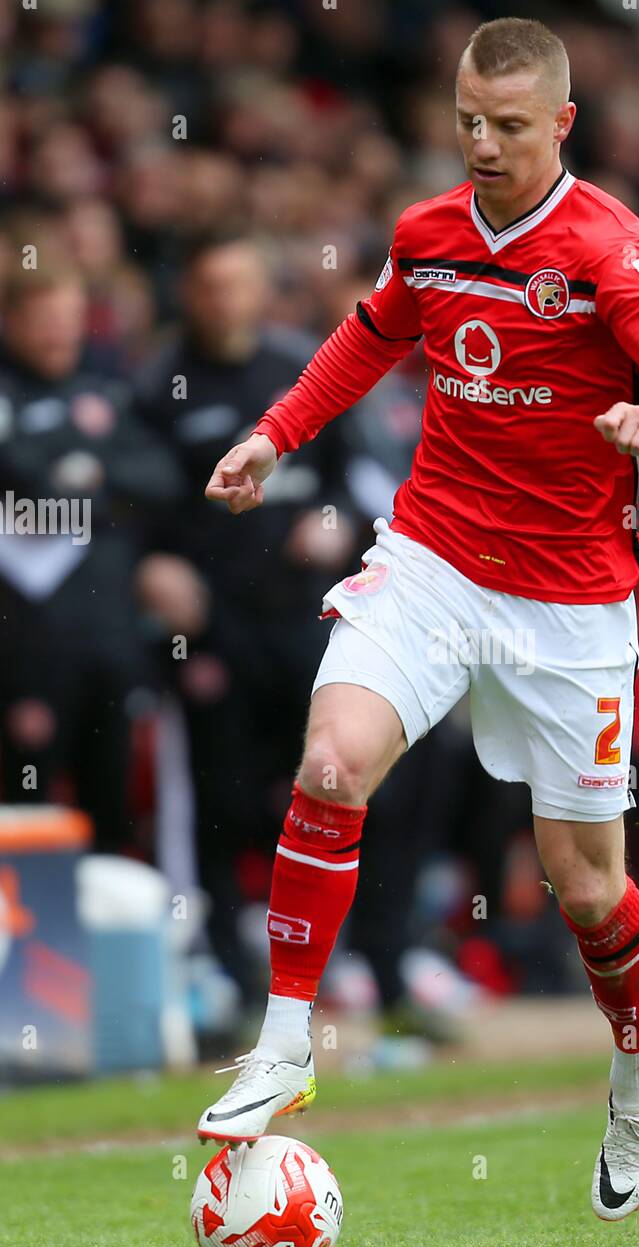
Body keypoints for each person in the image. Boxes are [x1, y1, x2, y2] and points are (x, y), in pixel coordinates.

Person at [196, 17, 639, 1221]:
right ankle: (286, 1044)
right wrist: (275, 433)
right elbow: (366, 338)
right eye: (468, 121)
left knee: (584, 885)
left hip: (570, 601)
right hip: (437, 558)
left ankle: (636, 1067)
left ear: (562, 124)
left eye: (509, 126)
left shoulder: (616, 252)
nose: (484, 145)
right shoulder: (431, 233)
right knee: (333, 762)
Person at [135, 230, 357, 1007]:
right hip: (212, 626)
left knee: (324, 783)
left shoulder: (303, 366)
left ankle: (333, 958)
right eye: (208, 286)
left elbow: (352, 478)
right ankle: (222, 964)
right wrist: (151, 564)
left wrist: (334, 519)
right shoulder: (158, 384)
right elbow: (136, 503)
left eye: (237, 283)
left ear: (263, 289)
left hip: (306, 613)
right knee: (218, 796)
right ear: (188, 295)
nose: (223, 301)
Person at [0, 263, 180, 850]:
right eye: (43, 318)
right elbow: (25, 488)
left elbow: (162, 480)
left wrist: (91, 476)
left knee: (112, 806)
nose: (59, 332)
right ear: (13, 321)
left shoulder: (104, 392)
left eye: (68, 318)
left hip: (108, 636)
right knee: (24, 803)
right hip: (24, 644)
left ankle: (102, 935)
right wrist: (105, 497)